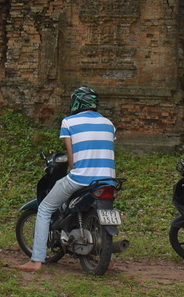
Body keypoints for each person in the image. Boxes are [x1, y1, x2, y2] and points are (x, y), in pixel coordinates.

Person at [18, 85, 116, 272]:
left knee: (45, 208)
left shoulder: (69, 122)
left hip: (81, 178)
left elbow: (72, 162)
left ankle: (36, 259)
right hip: (107, 180)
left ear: (76, 102)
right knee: (105, 216)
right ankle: (108, 258)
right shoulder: (108, 123)